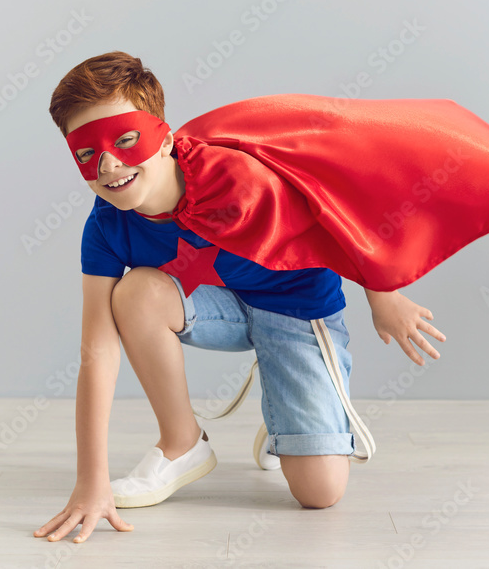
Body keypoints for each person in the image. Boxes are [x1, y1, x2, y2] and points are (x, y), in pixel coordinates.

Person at [34, 52, 451, 544]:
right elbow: (97, 348)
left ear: (164, 139)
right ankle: (182, 442)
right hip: (216, 307)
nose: (108, 164)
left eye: (125, 140)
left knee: (320, 492)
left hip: (295, 306)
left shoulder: (228, 176)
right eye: (86, 152)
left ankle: (285, 403)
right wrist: (91, 482)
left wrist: (384, 294)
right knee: (134, 294)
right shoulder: (106, 226)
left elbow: (329, 209)